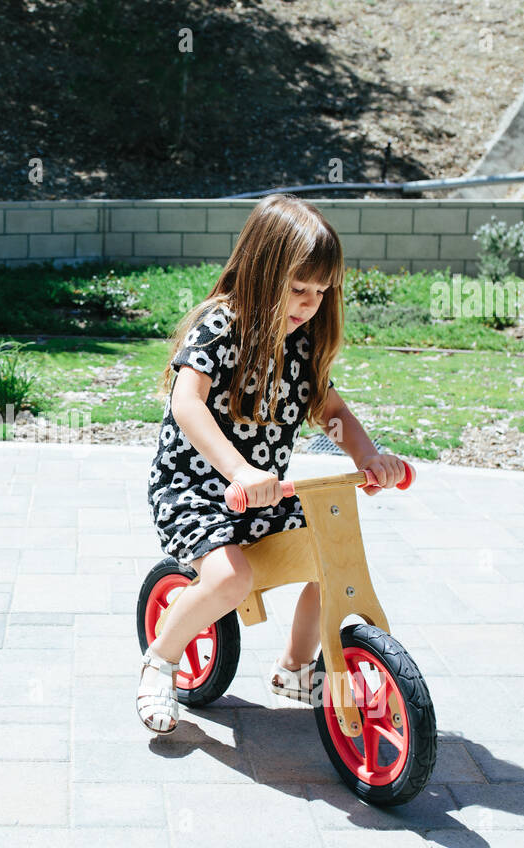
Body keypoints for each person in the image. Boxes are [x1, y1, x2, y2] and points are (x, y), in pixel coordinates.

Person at [139, 194, 410, 734]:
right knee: (229, 578)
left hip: (261, 494)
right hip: (195, 490)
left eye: (319, 293)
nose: (309, 304)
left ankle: (293, 668)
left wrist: (368, 456)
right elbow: (186, 402)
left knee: (329, 552)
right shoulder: (219, 328)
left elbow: (328, 410)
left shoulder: (302, 344)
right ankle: (160, 661)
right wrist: (238, 471)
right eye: (298, 288)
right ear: (264, 271)